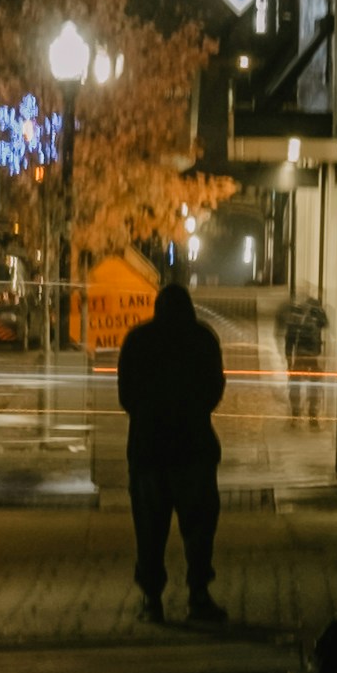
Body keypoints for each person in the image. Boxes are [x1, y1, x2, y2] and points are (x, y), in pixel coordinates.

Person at [114, 251, 228, 624]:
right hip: (193, 449)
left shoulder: (138, 341)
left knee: (149, 531)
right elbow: (215, 390)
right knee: (199, 530)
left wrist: (150, 414)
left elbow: (125, 396)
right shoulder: (202, 340)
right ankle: (198, 594)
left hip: (148, 452)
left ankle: (152, 600)